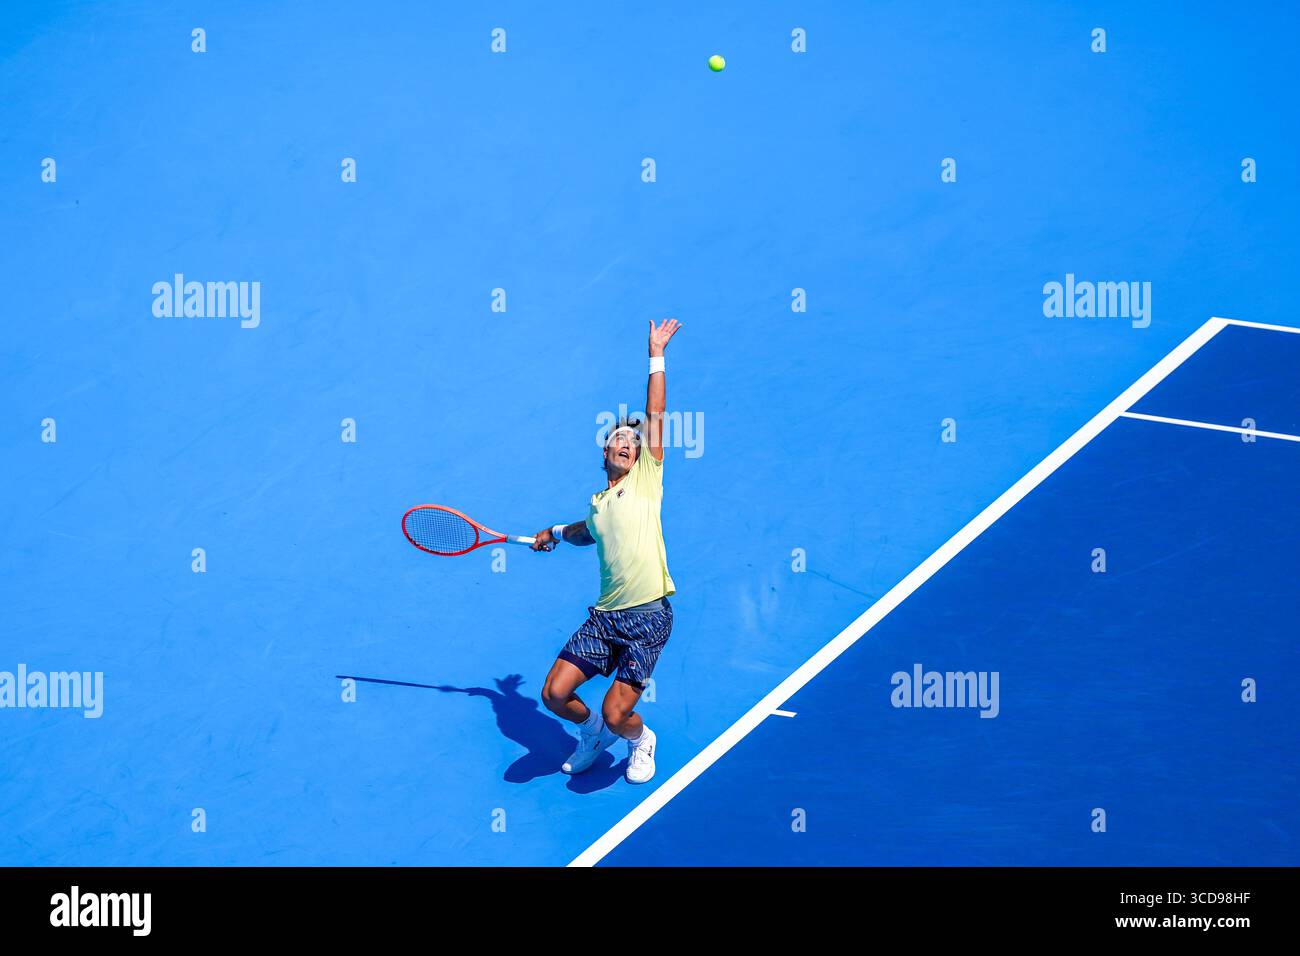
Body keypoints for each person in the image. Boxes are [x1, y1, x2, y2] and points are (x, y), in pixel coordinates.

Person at [532, 318, 681, 784]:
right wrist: (554, 532)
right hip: (605, 617)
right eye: (617, 438)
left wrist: (656, 354)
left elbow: (654, 416)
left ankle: (639, 739)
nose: (624, 442)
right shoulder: (598, 505)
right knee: (554, 695)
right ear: (605, 452)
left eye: (631, 443)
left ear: (640, 459)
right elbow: (586, 532)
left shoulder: (646, 481)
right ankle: (593, 733)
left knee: (620, 713)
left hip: (647, 617)